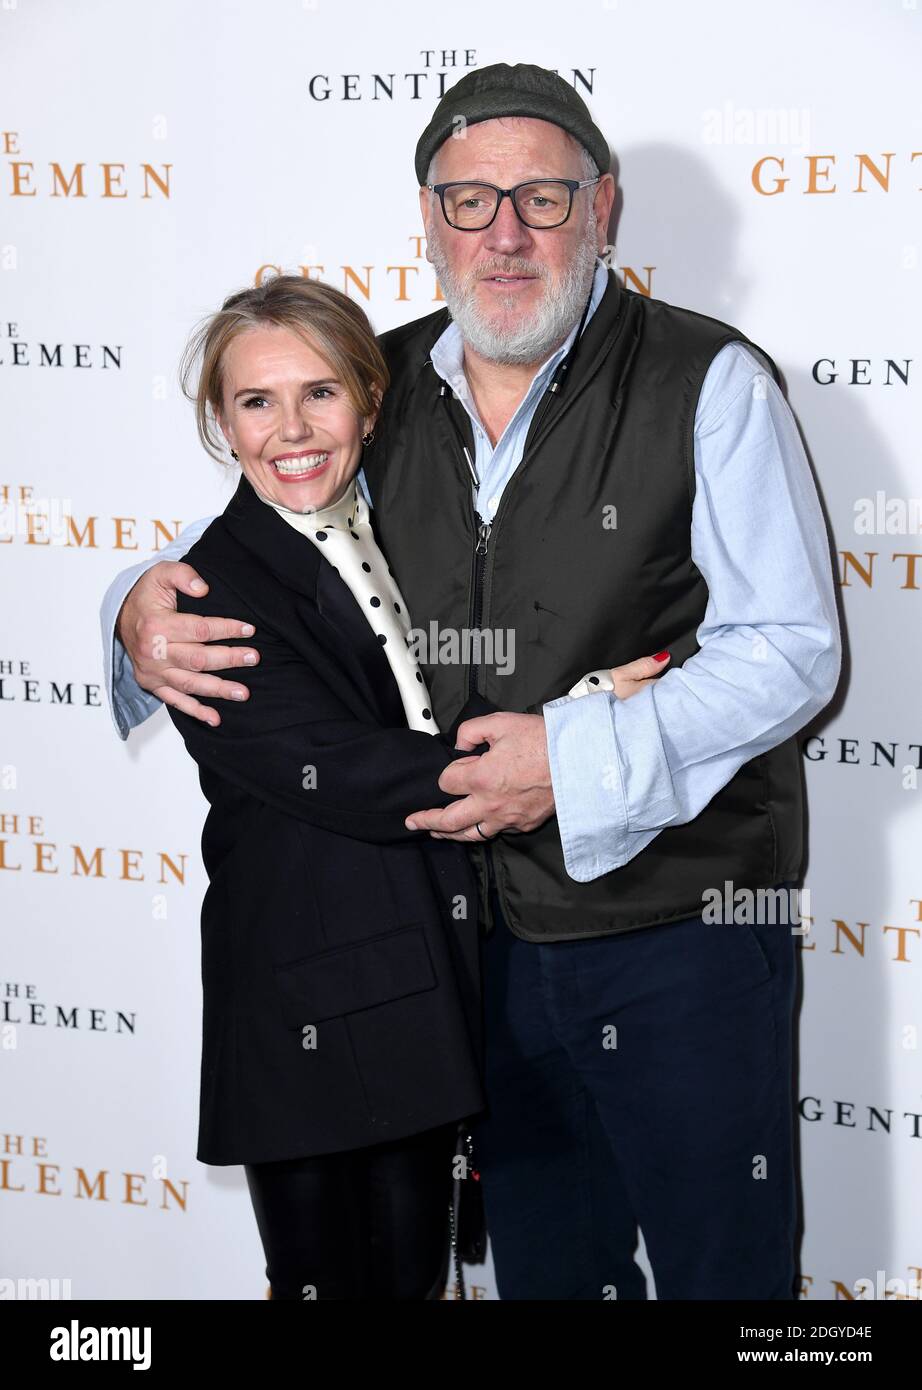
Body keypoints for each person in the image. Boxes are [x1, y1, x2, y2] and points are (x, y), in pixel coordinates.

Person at [100, 65, 841, 1300]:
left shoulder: (708, 381)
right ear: (427, 222)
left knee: (730, 1279)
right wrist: (130, 601)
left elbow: (791, 648)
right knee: (551, 1274)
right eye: (468, 199)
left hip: (680, 936)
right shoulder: (366, 387)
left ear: (601, 208)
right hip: (469, 943)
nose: (504, 232)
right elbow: (254, 543)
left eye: (541, 198)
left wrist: (571, 759)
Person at [150, 274, 497, 1301]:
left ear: (370, 401)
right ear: (222, 420)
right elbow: (344, 769)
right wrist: (562, 760)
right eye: (257, 401)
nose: (291, 430)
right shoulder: (200, 598)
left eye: (320, 393)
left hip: (431, 980)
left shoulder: (416, 532)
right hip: (310, 1002)